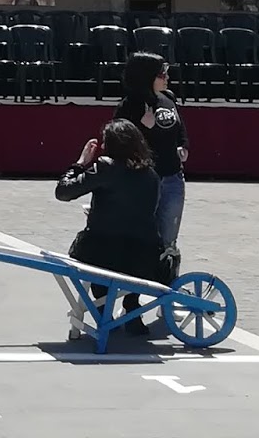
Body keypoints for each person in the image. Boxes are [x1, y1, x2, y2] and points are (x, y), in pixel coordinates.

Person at [54, 118, 168, 335]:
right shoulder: (151, 174)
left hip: (104, 253)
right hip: (143, 255)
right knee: (132, 247)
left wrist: (80, 163)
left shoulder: (106, 166)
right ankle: (131, 308)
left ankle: (103, 310)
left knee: (94, 250)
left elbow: (63, 192)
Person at [115, 51, 188, 259]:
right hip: (144, 180)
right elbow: (118, 142)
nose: (167, 78)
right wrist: (142, 128)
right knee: (142, 237)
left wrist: (183, 145)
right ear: (146, 76)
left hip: (172, 177)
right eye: (161, 74)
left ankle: (167, 273)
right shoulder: (129, 106)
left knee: (169, 240)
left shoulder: (168, 98)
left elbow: (180, 128)